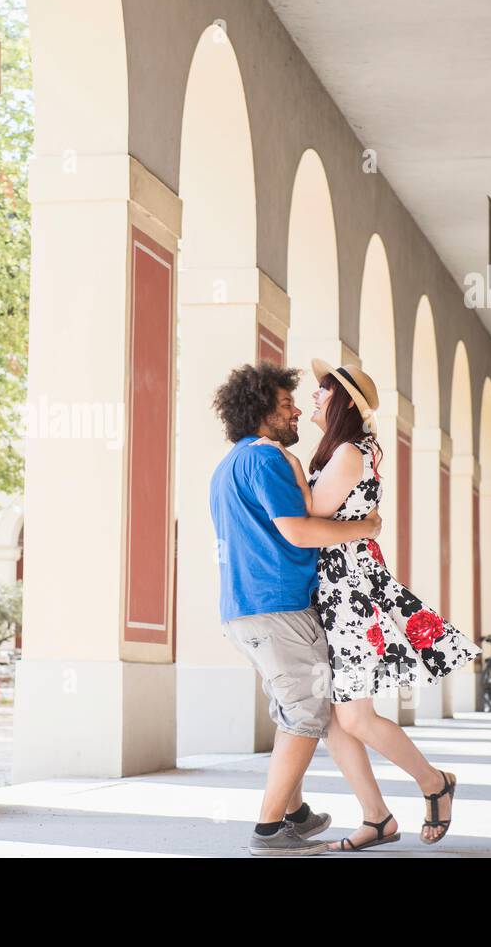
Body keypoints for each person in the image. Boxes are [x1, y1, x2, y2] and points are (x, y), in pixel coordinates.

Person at [256, 359, 481, 850]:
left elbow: (310, 513)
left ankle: (434, 783)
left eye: (323, 391)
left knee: (353, 717)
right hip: (340, 590)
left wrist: (288, 463)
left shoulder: (348, 453)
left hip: (349, 594)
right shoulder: (346, 451)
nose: (313, 398)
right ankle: (377, 818)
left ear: (342, 403)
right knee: (339, 718)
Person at [209, 362, 381, 856]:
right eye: (287, 405)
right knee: (306, 711)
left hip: (243, 610)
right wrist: (363, 529)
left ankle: (296, 812)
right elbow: (298, 531)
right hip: (278, 606)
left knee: (295, 704)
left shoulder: (231, 464)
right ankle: (269, 832)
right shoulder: (268, 460)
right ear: (261, 410)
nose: (298, 414)